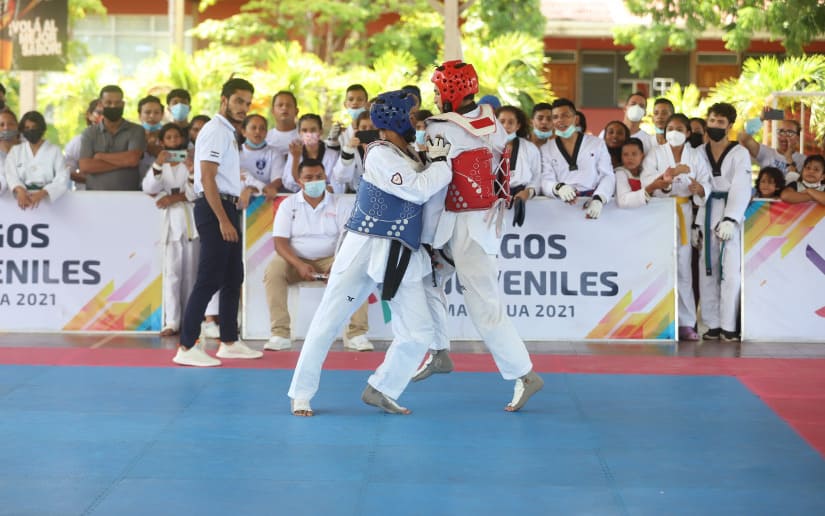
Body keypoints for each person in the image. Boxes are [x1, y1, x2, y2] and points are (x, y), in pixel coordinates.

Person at [288, 90, 453, 416]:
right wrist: (440, 162)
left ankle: (382, 387)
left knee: (419, 333)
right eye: (410, 115)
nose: (415, 121)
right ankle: (301, 393)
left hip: (401, 249)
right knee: (329, 320)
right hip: (363, 244)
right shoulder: (379, 154)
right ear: (396, 118)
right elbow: (417, 190)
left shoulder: (410, 152)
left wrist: (434, 159)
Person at [416, 60, 544, 412]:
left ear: (450, 92)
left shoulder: (440, 129)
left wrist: (424, 235)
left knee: (483, 305)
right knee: (427, 280)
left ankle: (524, 373)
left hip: (460, 225)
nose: (436, 96)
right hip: (479, 222)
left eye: (439, 89)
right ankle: (440, 351)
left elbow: (436, 183)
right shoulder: (492, 120)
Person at [173, 77, 263, 367]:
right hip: (214, 209)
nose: (243, 108)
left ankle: (229, 341)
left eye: (247, 103)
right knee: (209, 278)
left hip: (227, 205)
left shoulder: (229, 133)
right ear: (224, 100)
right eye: (238, 101)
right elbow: (208, 179)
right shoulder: (214, 131)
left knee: (233, 276)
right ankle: (186, 346)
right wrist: (224, 220)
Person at [263, 159, 372, 352]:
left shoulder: (340, 205)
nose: (314, 181)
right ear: (299, 181)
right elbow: (279, 243)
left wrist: (338, 264)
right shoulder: (288, 205)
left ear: (326, 178)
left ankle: (357, 334)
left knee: (357, 272)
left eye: (319, 177)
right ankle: (280, 334)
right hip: (297, 260)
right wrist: (298, 265)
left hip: (331, 258)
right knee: (273, 271)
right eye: (308, 177)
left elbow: (348, 241)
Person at [642, 113, 711, 342]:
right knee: (657, 266)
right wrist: (670, 175)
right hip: (659, 213)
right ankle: (656, 319)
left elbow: (706, 183)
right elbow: (647, 181)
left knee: (683, 270)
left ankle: (686, 322)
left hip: (683, 211)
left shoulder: (696, 156)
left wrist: (700, 189)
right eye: (670, 128)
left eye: (680, 129)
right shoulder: (655, 153)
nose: (674, 132)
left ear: (688, 133)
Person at [694, 102, 752, 342]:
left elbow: (741, 187)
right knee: (707, 269)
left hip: (730, 213)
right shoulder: (698, 152)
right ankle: (712, 324)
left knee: (731, 271)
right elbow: (698, 182)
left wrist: (730, 218)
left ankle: (729, 325)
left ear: (729, 125)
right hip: (706, 211)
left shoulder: (740, 153)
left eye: (720, 122)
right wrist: (697, 222)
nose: (715, 125)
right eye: (712, 121)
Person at [142, 123, 197, 336]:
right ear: (162, 142)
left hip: (190, 221)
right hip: (170, 224)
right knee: (172, 274)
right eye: (169, 138)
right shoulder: (160, 165)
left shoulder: (189, 162)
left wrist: (191, 172)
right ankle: (172, 321)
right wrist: (157, 163)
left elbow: (194, 193)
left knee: (191, 274)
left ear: (182, 140)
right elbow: (149, 188)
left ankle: (191, 320)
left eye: (176, 137)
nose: (173, 141)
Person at [540, 98, 615, 220]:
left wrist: (599, 198)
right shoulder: (546, 149)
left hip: (591, 203)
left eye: (565, 115)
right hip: (560, 206)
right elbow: (545, 179)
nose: (560, 120)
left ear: (575, 119)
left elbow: (608, 175)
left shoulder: (597, 144)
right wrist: (558, 188)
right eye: (555, 117)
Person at [79, 85, 146, 191]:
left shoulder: (136, 130)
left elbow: (133, 159)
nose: (113, 106)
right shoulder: (89, 133)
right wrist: (124, 162)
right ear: (101, 104)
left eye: (117, 103)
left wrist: (100, 156)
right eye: (109, 103)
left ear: (123, 104)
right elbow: (85, 167)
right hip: (94, 197)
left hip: (129, 197)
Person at [5, 111, 68, 210]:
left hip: (49, 201)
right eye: (27, 128)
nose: (31, 131)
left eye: (34, 128)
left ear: (42, 129)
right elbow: (10, 174)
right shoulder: (16, 151)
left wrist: (42, 193)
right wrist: (20, 190)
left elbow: (62, 178)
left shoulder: (55, 151)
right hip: (22, 199)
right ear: (22, 130)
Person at [497, 105, 541, 225]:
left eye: (511, 122)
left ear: (518, 125)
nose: (506, 126)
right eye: (502, 122)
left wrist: (527, 193)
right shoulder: (488, 147)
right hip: (494, 202)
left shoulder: (530, 148)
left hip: (522, 199)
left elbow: (537, 177)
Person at [283, 114, 342, 193]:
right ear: (299, 133)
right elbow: (289, 183)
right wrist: (296, 159)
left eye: (313, 130)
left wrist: (317, 190)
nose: (309, 134)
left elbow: (338, 185)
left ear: (321, 131)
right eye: (304, 130)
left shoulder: (332, 155)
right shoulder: (294, 154)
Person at [738, 115, 806, 179]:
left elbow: (800, 184)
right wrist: (761, 119)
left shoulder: (804, 160)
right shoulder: (766, 152)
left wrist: (789, 159)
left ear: (797, 138)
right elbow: (743, 137)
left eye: (790, 132)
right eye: (781, 131)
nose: (784, 136)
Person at [614, 138, 672, 209]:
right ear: (621, 157)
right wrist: (651, 188)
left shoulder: (647, 171)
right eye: (625, 154)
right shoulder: (619, 173)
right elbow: (623, 201)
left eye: (634, 154)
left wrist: (665, 186)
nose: (630, 158)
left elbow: (660, 196)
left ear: (642, 155)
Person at [238, 114, 282, 206]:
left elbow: (277, 180)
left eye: (262, 128)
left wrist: (260, 189)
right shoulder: (235, 153)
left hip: (264, 203)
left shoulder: (274, 153)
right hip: (238, 202)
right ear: (243, 132)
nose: (258, 131)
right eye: (253, 128)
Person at [264, 91, 299, 196]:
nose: (284, 108)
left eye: (288, 105)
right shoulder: (264, 138)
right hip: (269, 192)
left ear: (296, 111)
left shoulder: (304, 137)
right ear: (273, 111)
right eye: (280, 105)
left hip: (297, 191)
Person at [64, 99, 102, 191]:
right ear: (89, 115)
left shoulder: (121, 140)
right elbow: (67, 172)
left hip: (116, 195)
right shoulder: (78, 142)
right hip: (85, 196)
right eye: (99, 113)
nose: (103, 117)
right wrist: (95, 181)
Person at [138, 95, 166, 180]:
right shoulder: (133, 136)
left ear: (162, 115)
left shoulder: (169, 137)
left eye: (156, 112)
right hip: (135, 188)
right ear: (139, 115)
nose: (152, 116)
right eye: (147, 112)